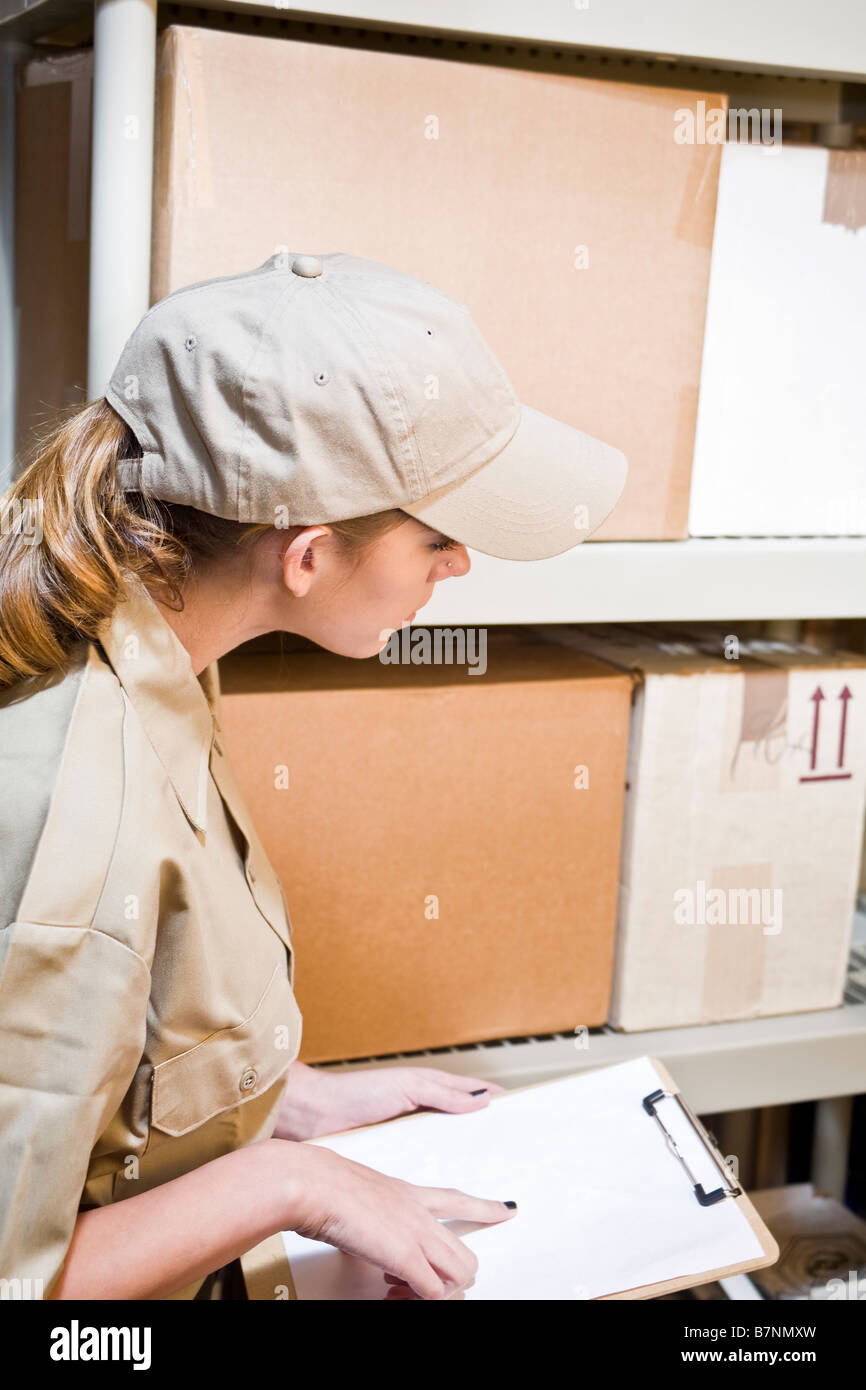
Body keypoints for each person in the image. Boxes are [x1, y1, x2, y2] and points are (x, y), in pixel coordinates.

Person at [0, 250, 627, 1302]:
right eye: (438, 536)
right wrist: (290, 1183)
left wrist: (286, 1102)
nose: (457, 565)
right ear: (307, 556)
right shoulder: (76, 812)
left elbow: (105, 1067)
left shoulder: (153, 650)